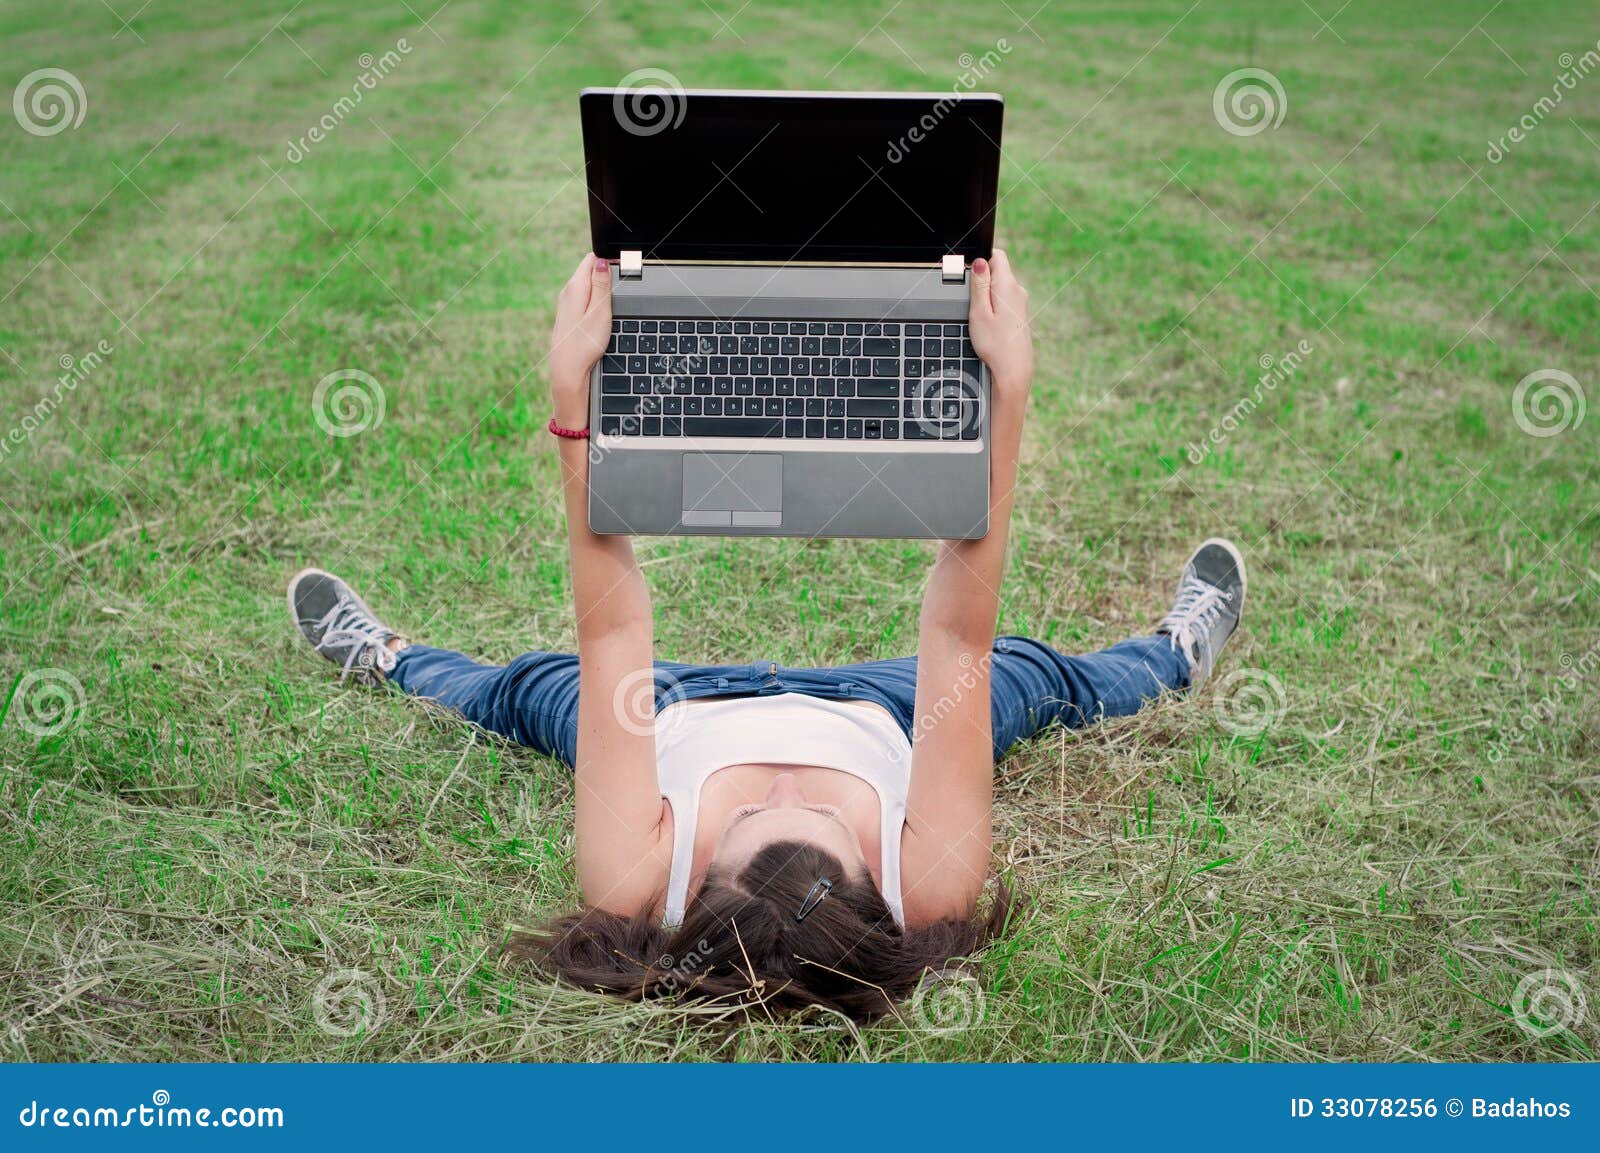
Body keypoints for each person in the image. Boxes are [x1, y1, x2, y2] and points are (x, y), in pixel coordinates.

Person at [286, 251, 1246, 1021]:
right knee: (1038, 677)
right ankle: (1173, 652)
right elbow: (960, 640)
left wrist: (573, 401)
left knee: (526, 688)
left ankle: (387, 655)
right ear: (881, 884)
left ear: (697, 877)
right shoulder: (934, 886)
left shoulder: (633, 880)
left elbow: (613, 631)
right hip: (889, 711)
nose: (784, 783)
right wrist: (1009, 387)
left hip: (669, 708)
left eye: (752, 816)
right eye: (818, 813)